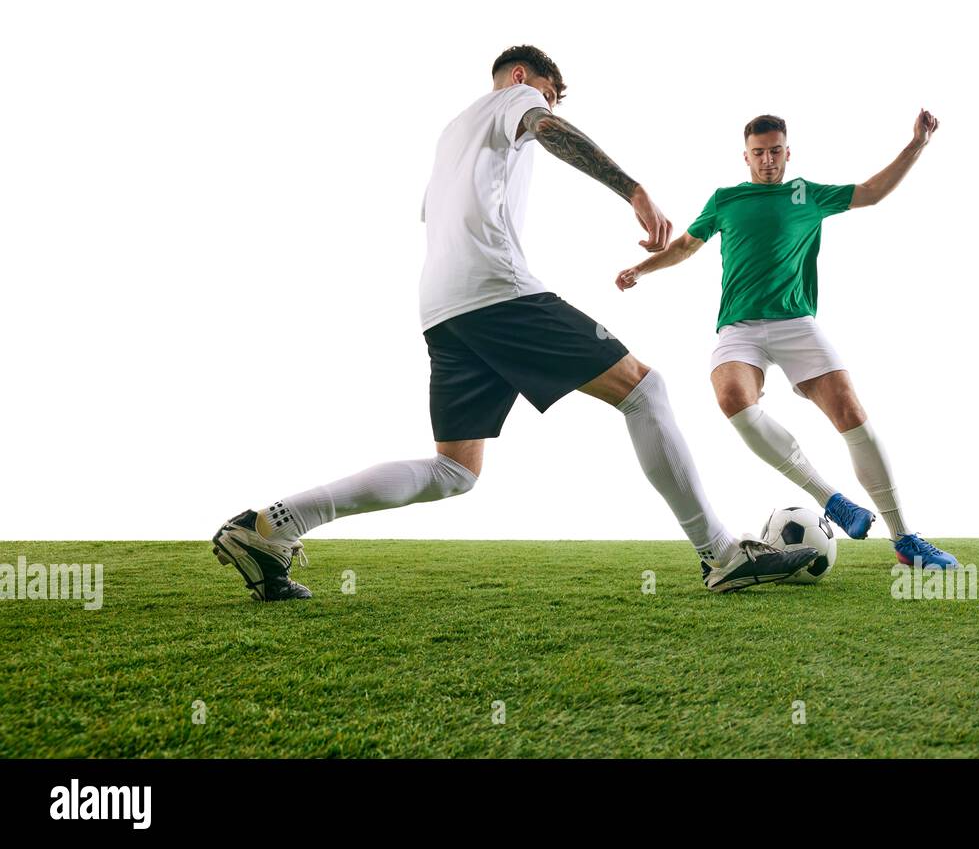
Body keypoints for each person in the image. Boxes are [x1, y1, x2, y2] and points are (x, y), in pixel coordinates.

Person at [212, 46, 818, 600]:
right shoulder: (516, 99)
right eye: (550, 91)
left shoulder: (452, 132)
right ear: (525, 77)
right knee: (644, 389)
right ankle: (719, 555)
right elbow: (545, 127)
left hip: (442, 308)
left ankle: (272, 526)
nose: (546, 104)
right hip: (497, 291)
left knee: (454, 471)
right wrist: (632, 190)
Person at [615, 112, 958, 568]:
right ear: (746, 156)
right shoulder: (727, 199)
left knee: (851, 412)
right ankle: (830, 498)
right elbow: (684, 247)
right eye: (759, 153)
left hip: (797, 324)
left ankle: (906, 540)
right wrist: (642, 269)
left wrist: (916, 144)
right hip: (739, 327)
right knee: (733, 398)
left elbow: (872, 193)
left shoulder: (807, 195)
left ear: (787, 152)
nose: (768, 160)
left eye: (776, 151)